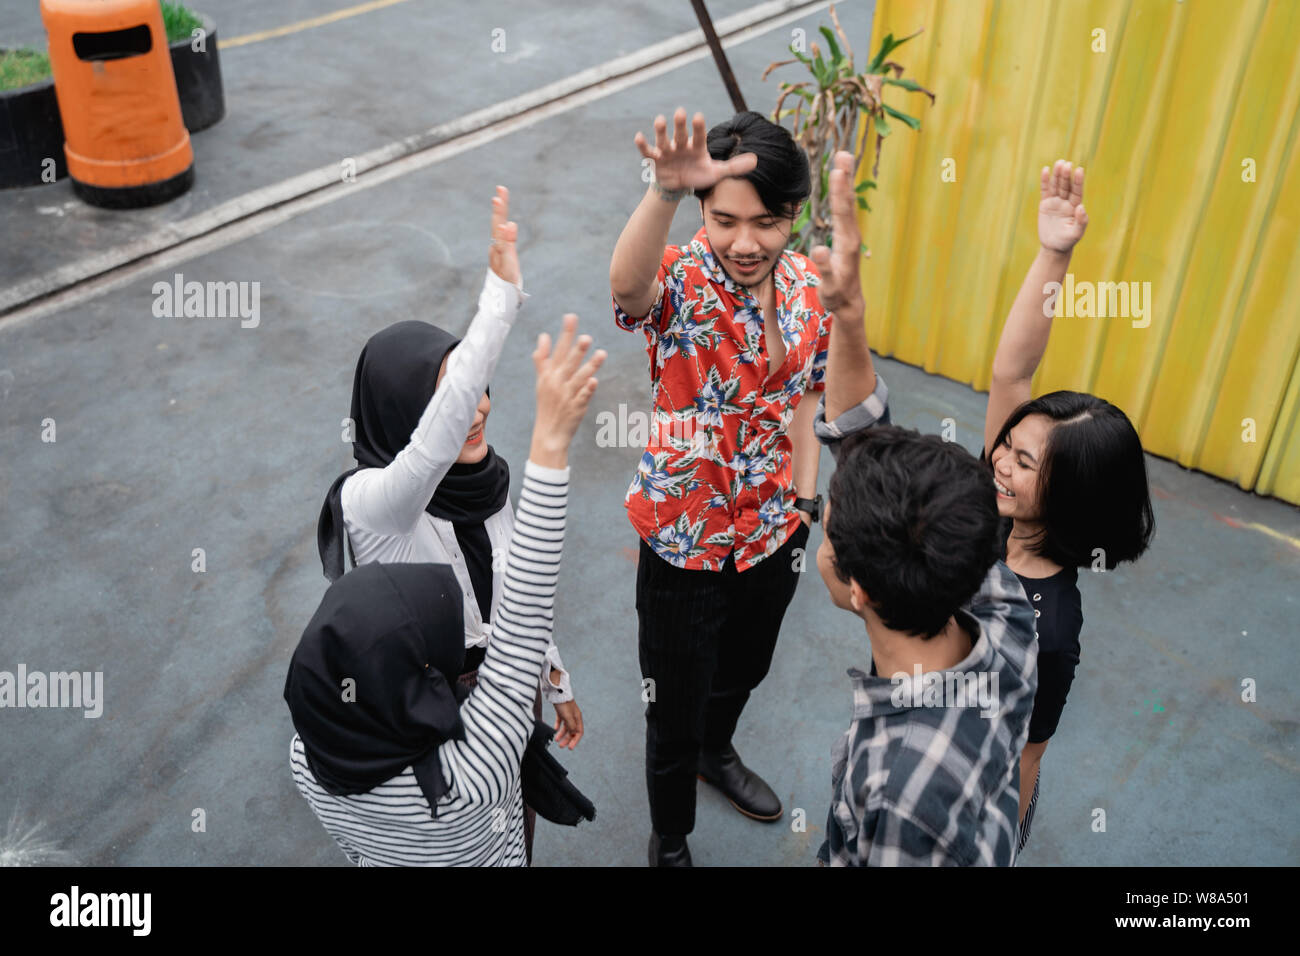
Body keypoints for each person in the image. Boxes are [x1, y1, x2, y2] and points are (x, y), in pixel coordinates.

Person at [611, 108, 869, 866]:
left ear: (794, 213)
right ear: (701, 210)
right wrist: (662, 190)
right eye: (724, 220)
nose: (745, 242)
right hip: (682, 532)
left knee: (746, 666)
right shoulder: (682, 280)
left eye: (766, 221)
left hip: (774, 528)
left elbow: (807, 397)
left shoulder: (803, 287)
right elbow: (627, 289)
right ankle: (672, 834)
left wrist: (806, 501)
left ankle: (715, 753)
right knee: (673, 701)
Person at [315, 187, 592, 862]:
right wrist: (499, 300)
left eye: (474, 391)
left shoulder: (486, 482)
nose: (476, 411)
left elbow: (520, 591)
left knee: (511, 831)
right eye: (447, 397)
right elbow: (432, 444)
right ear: (399, 411)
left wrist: (552, 682)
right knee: (444, 839)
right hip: (423, 707)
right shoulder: (371, 504)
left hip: (502, 684)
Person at [808, 152, 1039, 866]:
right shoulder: (1003, 614)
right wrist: (849, 320)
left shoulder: (903, 791)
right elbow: (862, 442)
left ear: (857, 589)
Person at [982, 161, 1154, 851]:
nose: (999, 460)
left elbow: (1026, 757)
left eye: (1025, 463)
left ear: (1073, 500)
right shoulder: (995, 510)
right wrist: (1055, 253)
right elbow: (1012, 373)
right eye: (1009, 446)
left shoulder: (1050, 632)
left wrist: (991, 847)